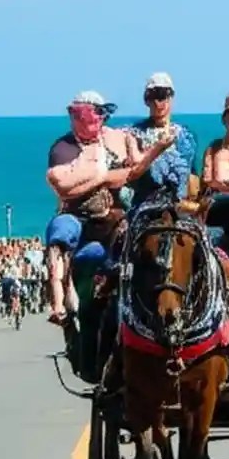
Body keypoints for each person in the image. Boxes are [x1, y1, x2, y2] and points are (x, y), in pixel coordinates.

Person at [45, 91, 169, 323]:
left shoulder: (116, 138)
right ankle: (58, 303)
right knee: (59, 234)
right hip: (76, 216)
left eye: (104, 113)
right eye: (97, 112)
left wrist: (156, 150)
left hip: (114, 216)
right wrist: (103, 176)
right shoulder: (63, 148)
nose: (101, 119)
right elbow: (63, 187)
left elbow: (133, 171)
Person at [125, 72, 198, 205]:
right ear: (146, 100)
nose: (158, 102)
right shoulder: (134, 133)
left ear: (171, 97)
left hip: (179, 204)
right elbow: (132, 173)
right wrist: (157, 149)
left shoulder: (186, 135)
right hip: (146, 202)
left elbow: (192, 173)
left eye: (163, 96)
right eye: (152, 97)